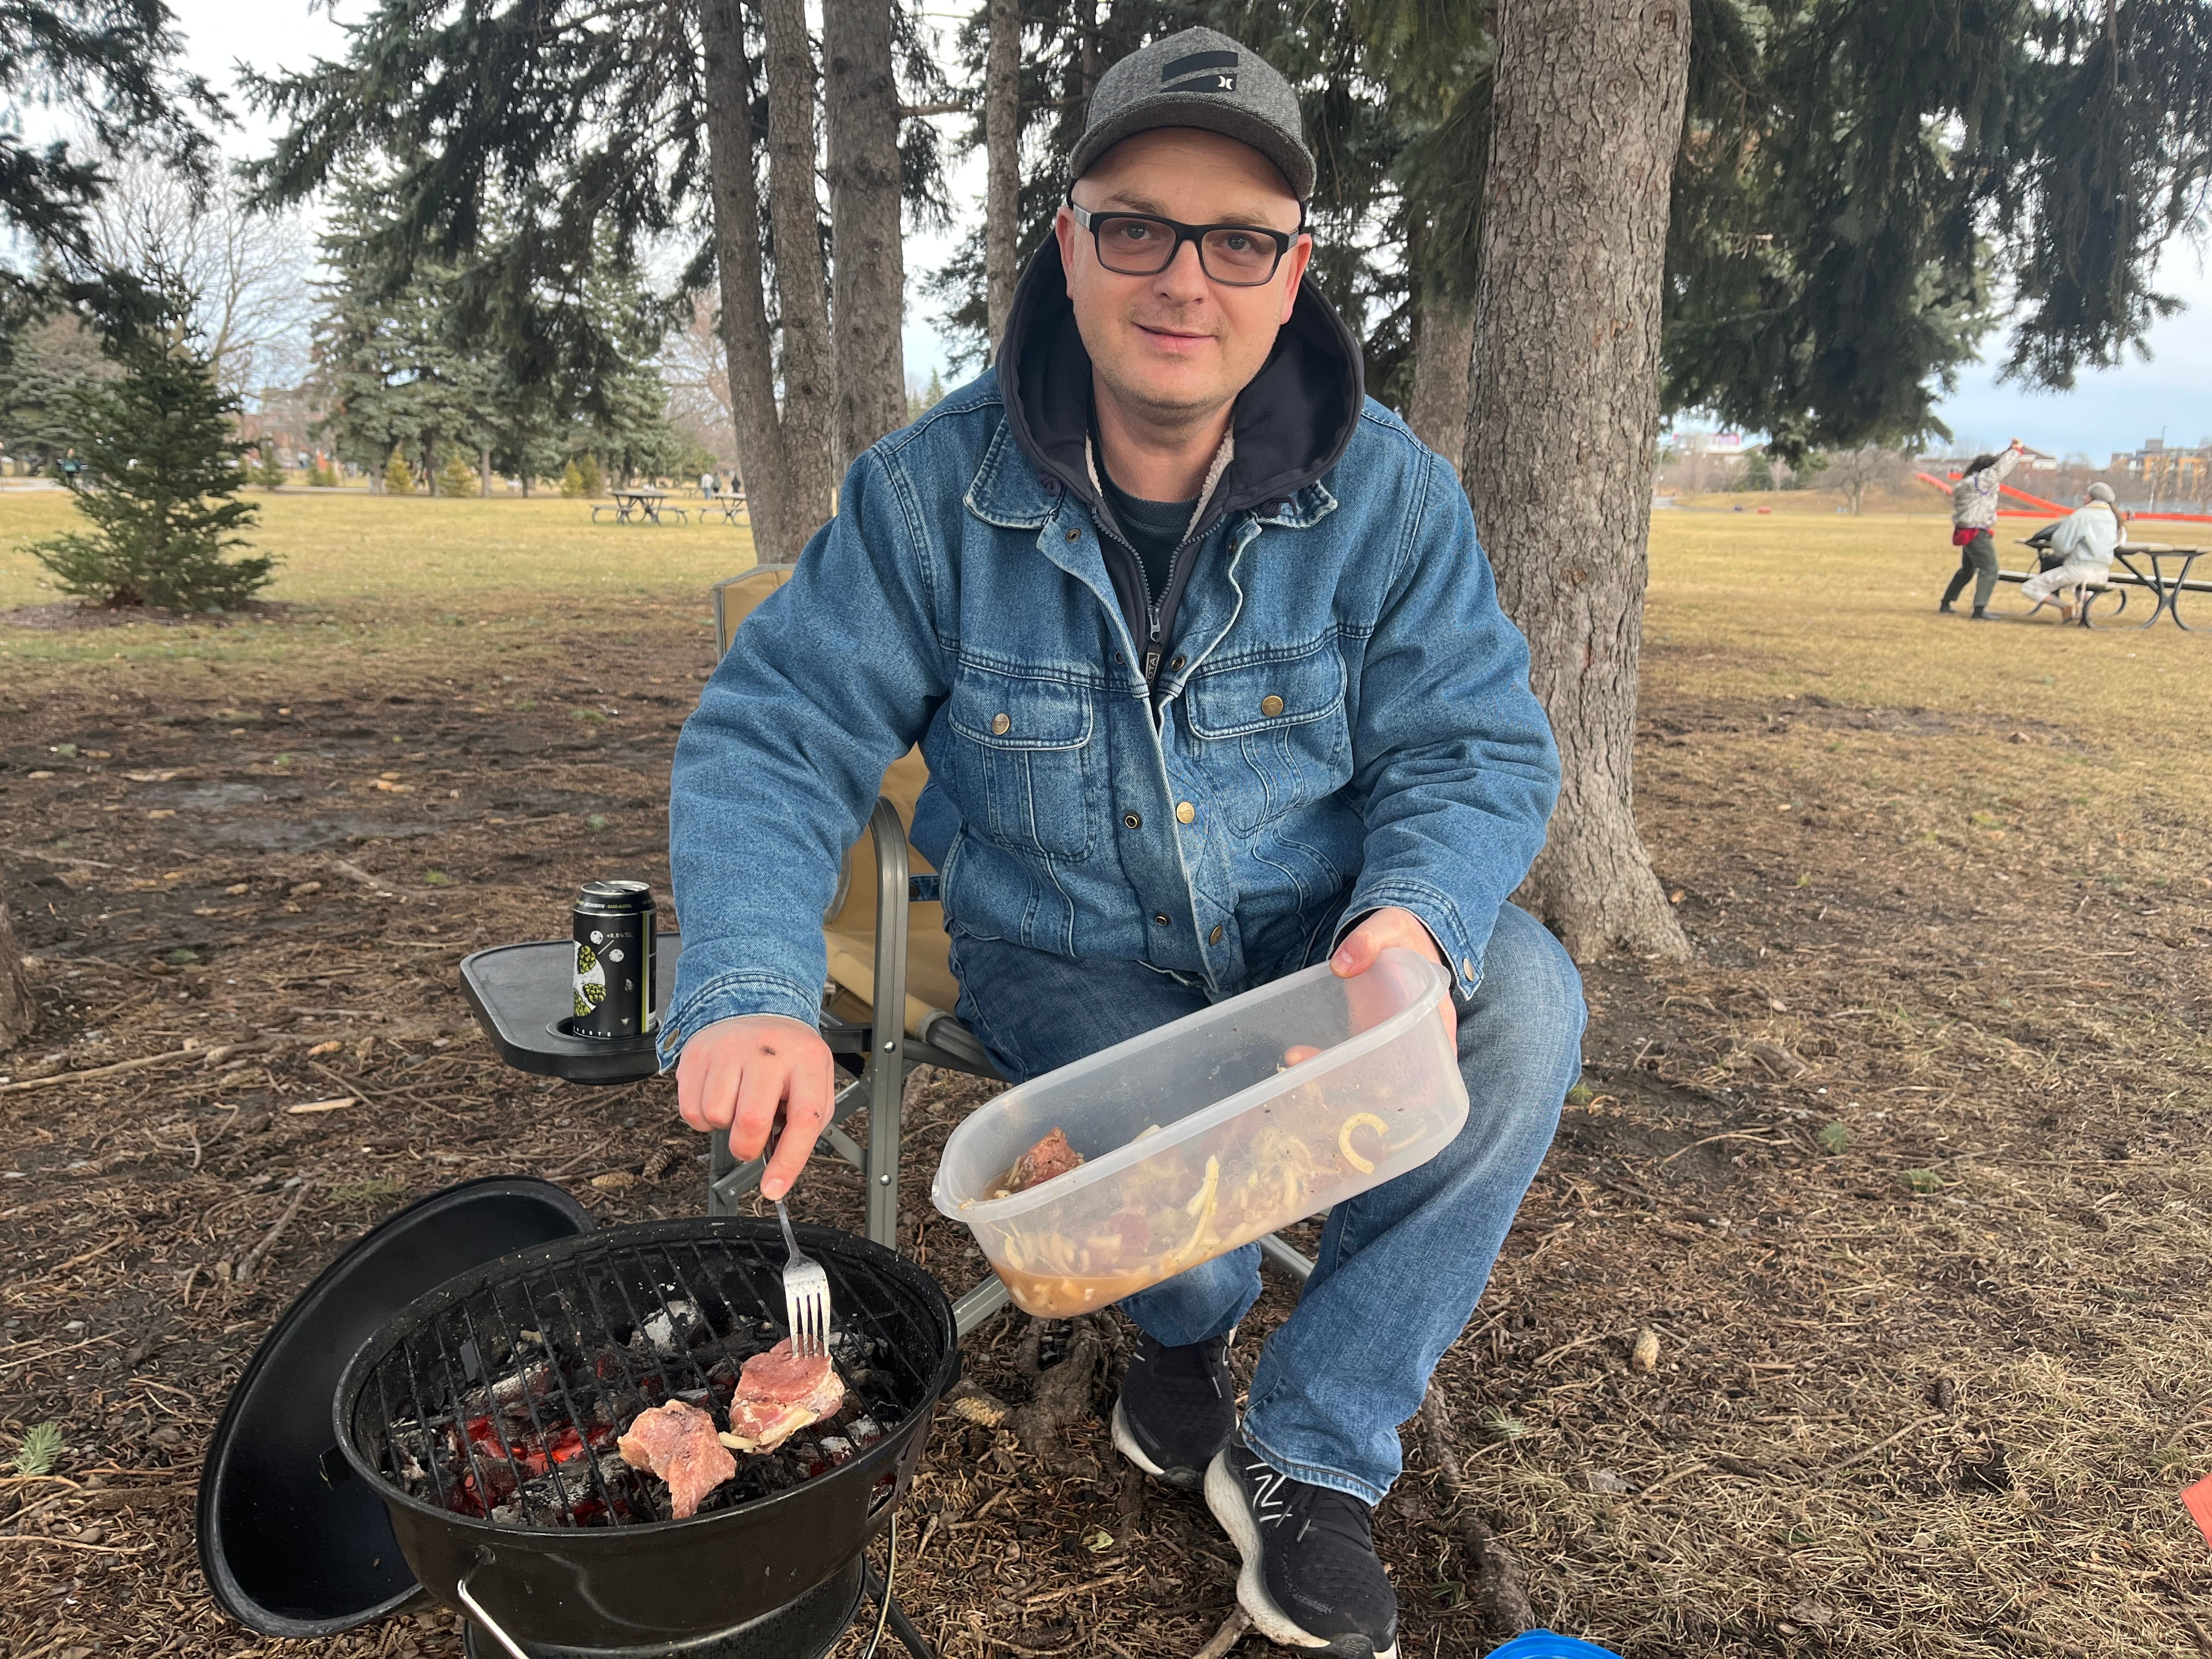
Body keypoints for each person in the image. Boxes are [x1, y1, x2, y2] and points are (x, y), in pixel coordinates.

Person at [662, 27, 1582, 1659]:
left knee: (1523, 999)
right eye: (1138, 225)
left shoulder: (1396, 503)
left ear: (1292, 274)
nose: (1186, 278)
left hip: (1314, 930)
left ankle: (1307, 1456)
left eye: (1238, 240)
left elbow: (1476, 741)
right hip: (1062, 943)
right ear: (1069, 247)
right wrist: (745, 980)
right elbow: (778, 729)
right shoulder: (923, 498)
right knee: (1168, 1222)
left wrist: (1411, 927)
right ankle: (1182, 1341)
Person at [1940, 439, 2026, 618]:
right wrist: (2016, 452)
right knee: (1990, 569)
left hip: (1966, 530)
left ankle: (1946, 602)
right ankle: (1980, 610)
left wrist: (2008, 450)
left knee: (1968, 569)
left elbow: (1995, 465)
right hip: (1976, 532)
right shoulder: (1980, 482)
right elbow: (1998, 470)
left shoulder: (1968, 483)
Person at [2021, 482, 2125, 622]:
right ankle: (2084, 610)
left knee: (2030, 588)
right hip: (2103, 572)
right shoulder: (2115, 519)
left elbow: (2061, 546)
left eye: (2087, 494)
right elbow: (2121, 542)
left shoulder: (2082, 515)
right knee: (2084, 587)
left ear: (2091, 498)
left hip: (2078, 569)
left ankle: (2065, 607)